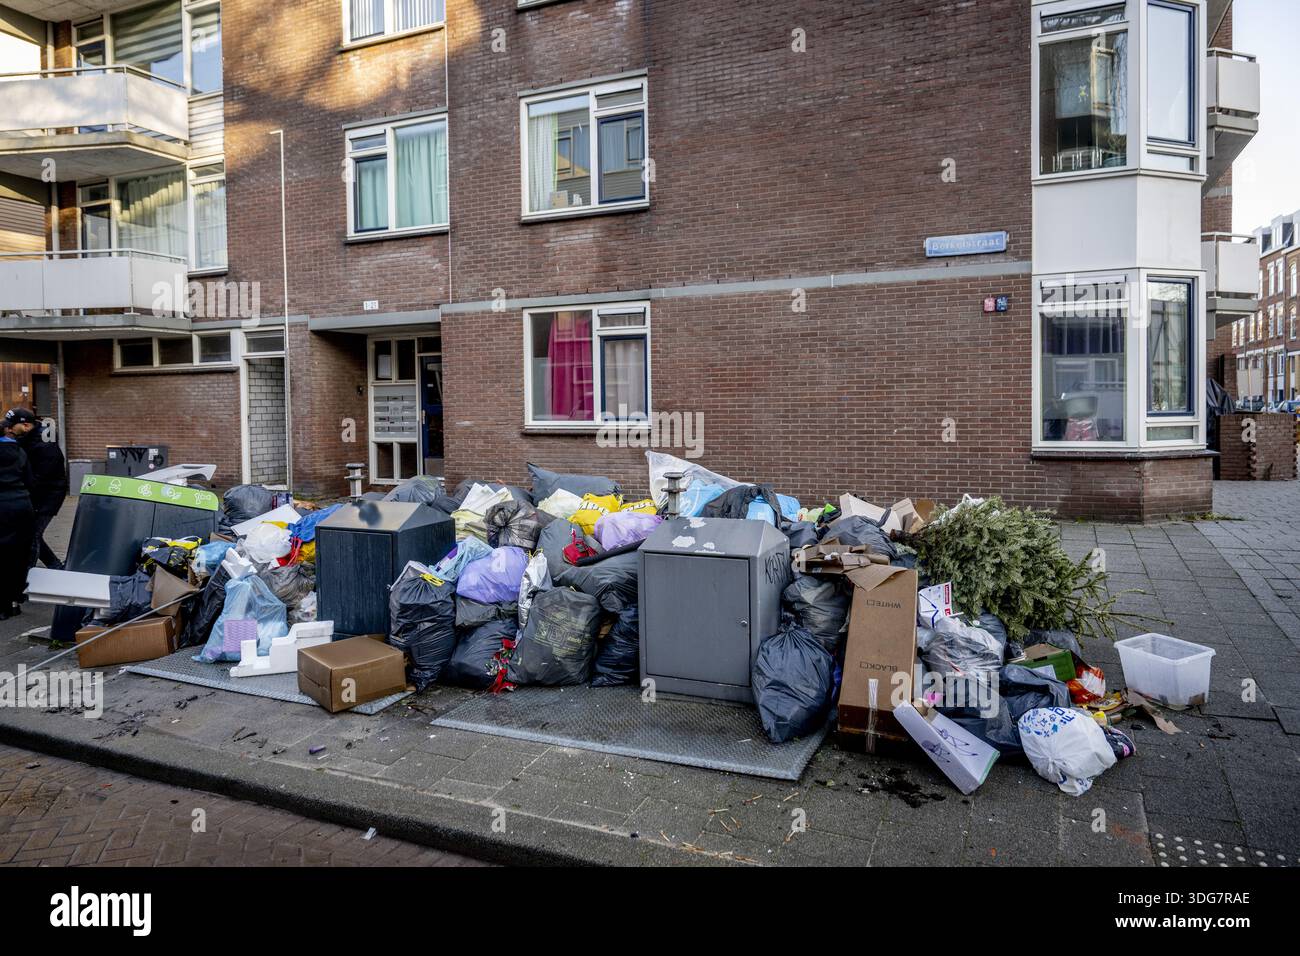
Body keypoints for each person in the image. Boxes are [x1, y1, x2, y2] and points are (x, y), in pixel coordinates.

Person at [7, 408, 69, 570]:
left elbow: (41, 478)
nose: (8, 428)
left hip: (48, 496)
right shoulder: (25, 438)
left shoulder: (44, 447)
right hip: (33, 494)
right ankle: (55, 566)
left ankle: (26, 575)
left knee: (31, 534)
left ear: (26, 426)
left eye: (11, 426)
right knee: (31, 533)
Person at [0, 409, 35, 620]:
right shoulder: (20, 453)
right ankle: (14, 600)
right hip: (21, 506)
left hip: (2, 507)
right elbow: (31, 482)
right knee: (19, 556)